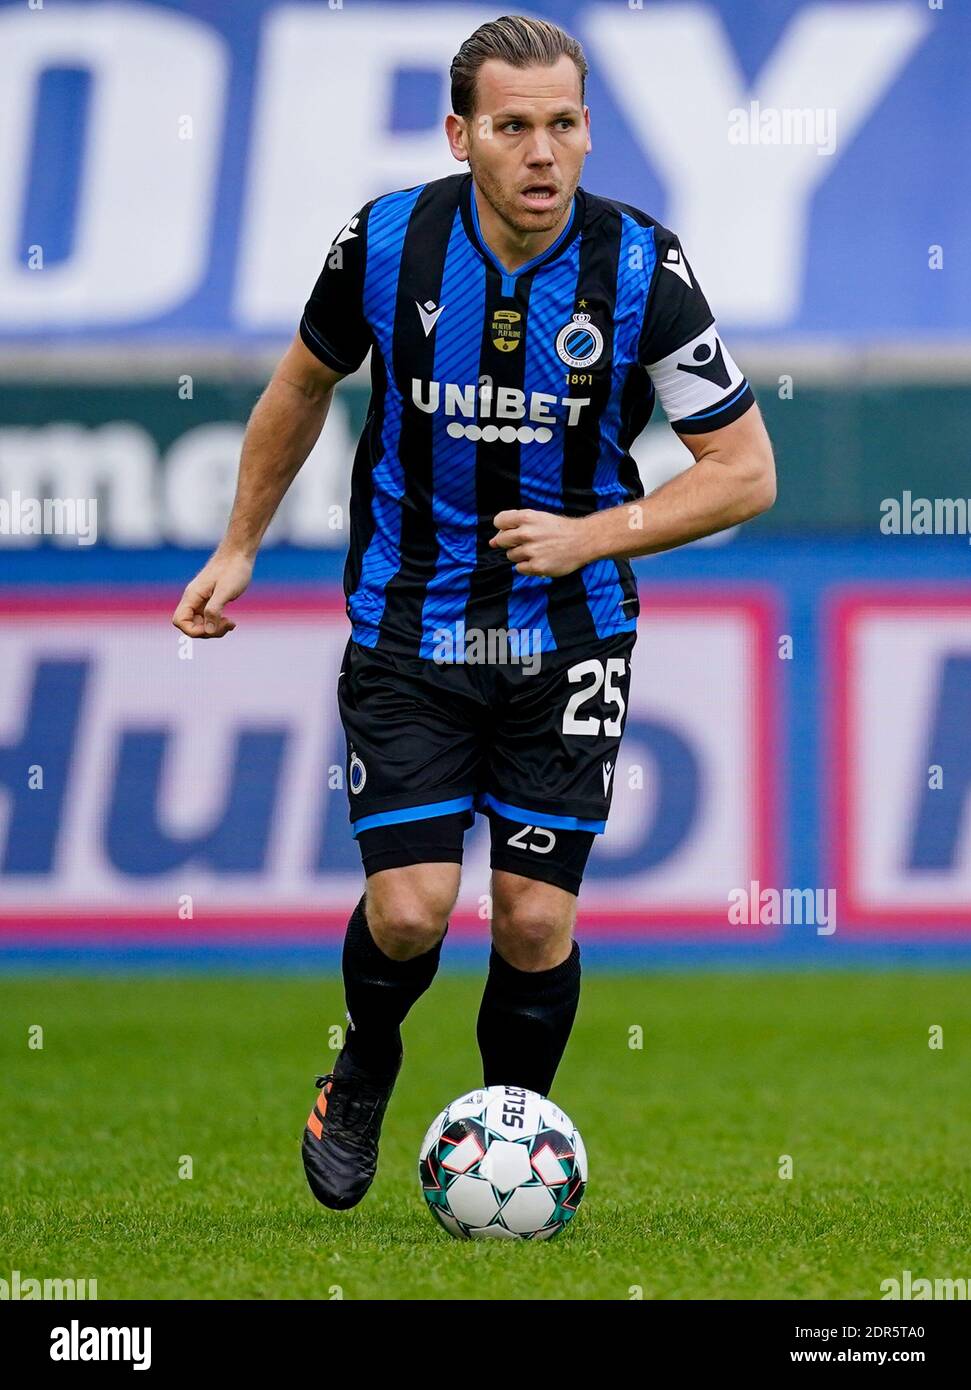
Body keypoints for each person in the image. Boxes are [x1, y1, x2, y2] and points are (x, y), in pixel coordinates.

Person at [172, 13, 776, 1211]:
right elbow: (301, 383)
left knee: (536, 922)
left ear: (590, 131)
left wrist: (588, 536)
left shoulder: (643, 270)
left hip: (571, 635)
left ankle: (514, 1137)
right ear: (462, 134)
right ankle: (367, 1064)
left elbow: (746, 470)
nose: (542, 153)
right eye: (513, 128)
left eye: (564, 125)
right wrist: (240, 542)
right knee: (411, 911)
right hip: (411, 622)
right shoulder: (384, 242)